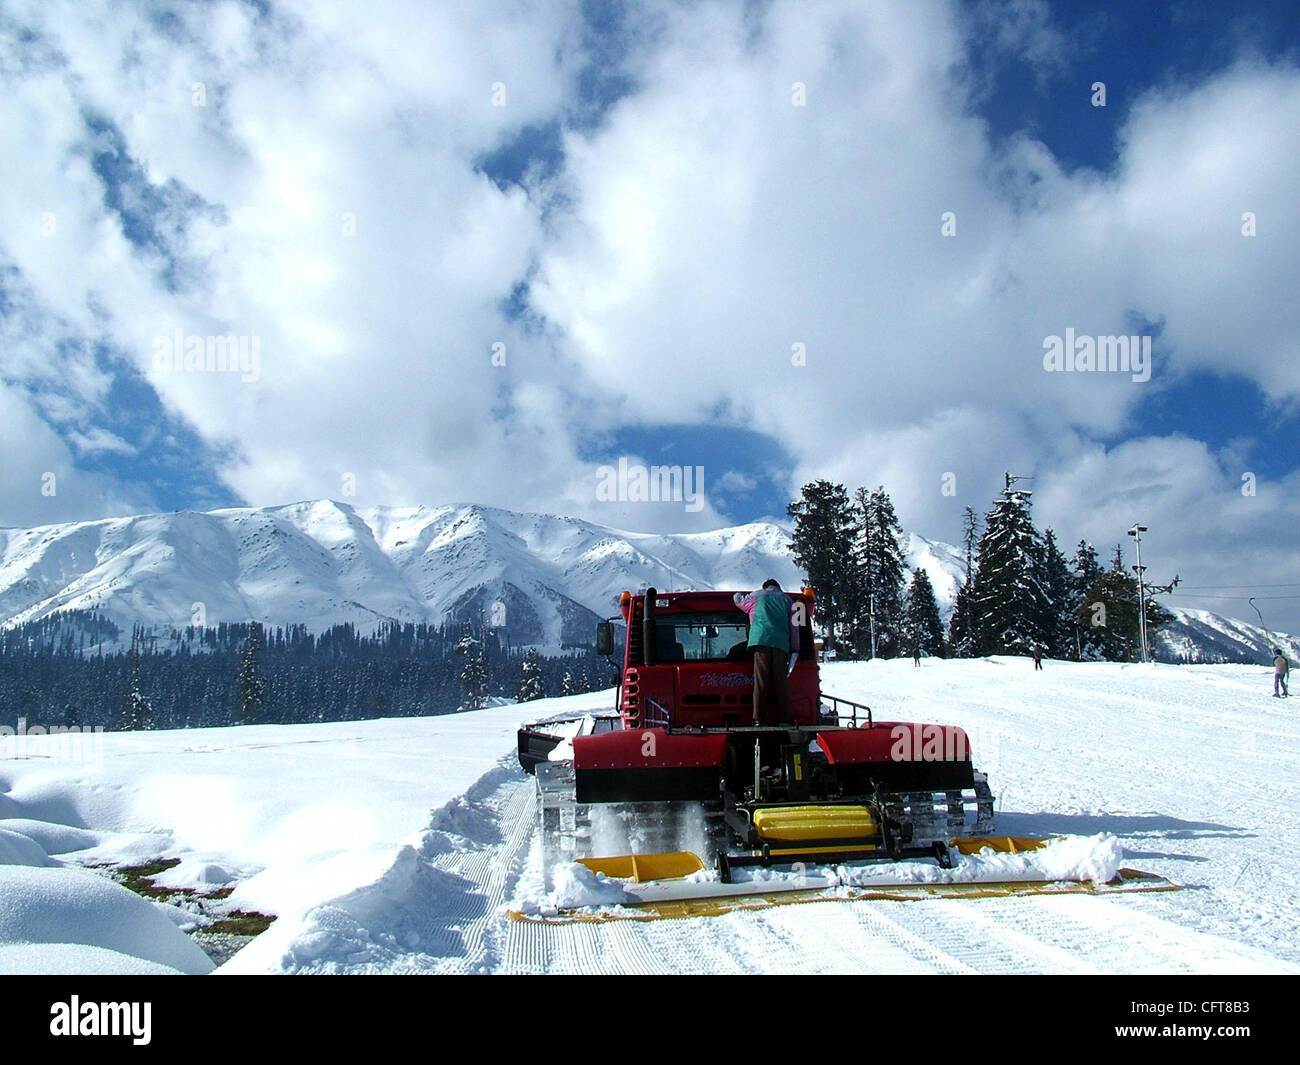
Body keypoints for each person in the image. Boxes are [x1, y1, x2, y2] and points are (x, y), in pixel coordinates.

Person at [734, 580, 800, 725]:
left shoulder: (757, 596)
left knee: (761, 681)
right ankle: (784, 718)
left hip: (761, 642)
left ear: (765, 587)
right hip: (781, 645)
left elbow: (739, 602)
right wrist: (795, 649)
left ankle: (758, 718)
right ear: (779, 587)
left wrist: (738, 594)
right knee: (781, 682)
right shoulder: (790, 602)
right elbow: (795, 628)